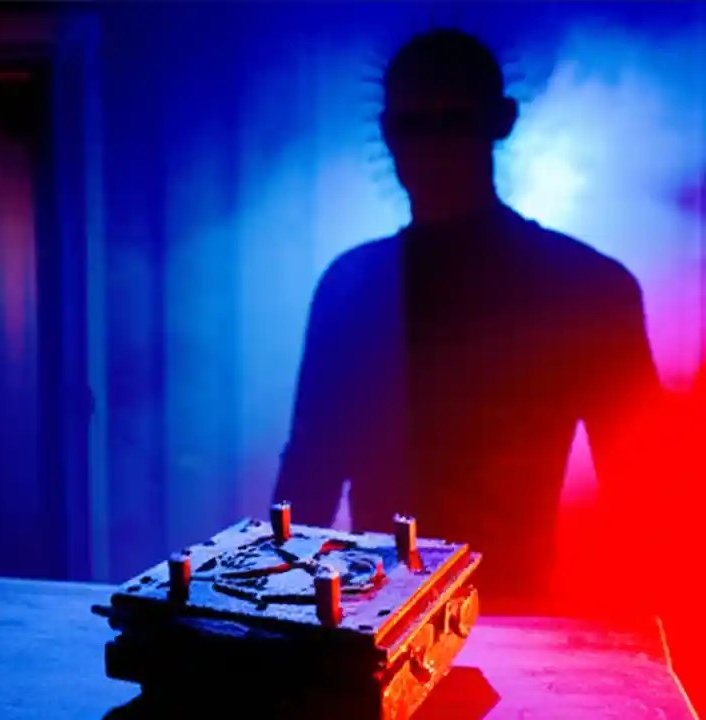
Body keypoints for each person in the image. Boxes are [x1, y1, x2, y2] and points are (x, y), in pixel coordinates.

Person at [274, 28, 662, 602]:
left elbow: (643, 504)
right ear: (387, 133)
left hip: (514, 629)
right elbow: (304, 490)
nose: (433, 147)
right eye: (415, 124)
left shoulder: (589, 290)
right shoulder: (350, 290)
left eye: (452, 120)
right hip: (379, 632)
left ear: (500, 120)